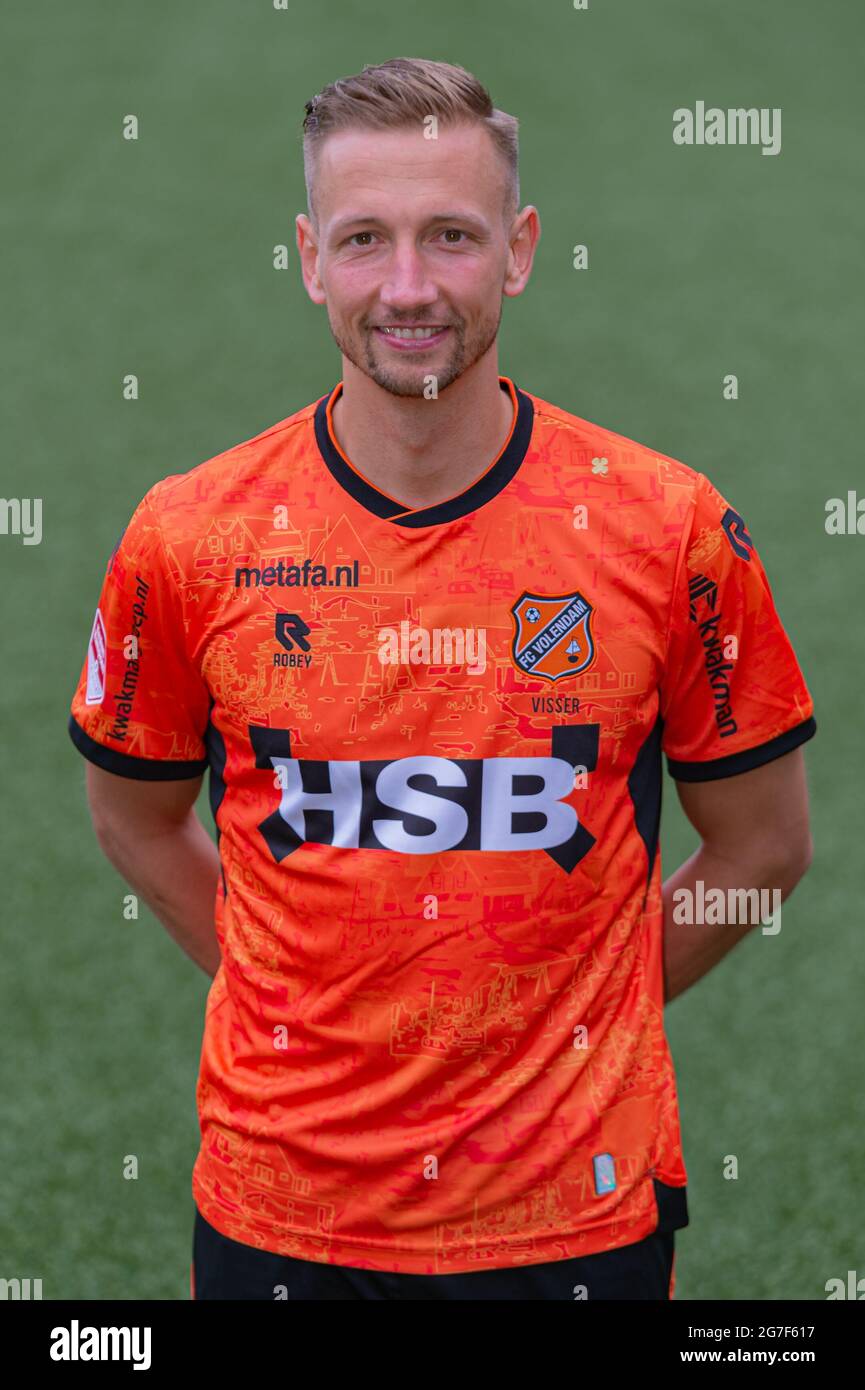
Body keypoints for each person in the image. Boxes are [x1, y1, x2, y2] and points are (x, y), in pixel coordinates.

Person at [67, 57, 815, 1301]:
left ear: (518, 250)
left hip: (576, 1217)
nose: (407, 286)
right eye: (365, 239)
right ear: (310, 258)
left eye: (451, 237)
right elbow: (132, 817)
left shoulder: (669, 529)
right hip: (282, 1213)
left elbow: (761, 850)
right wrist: (295, 993)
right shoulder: (190, 536)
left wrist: (576, 1019)